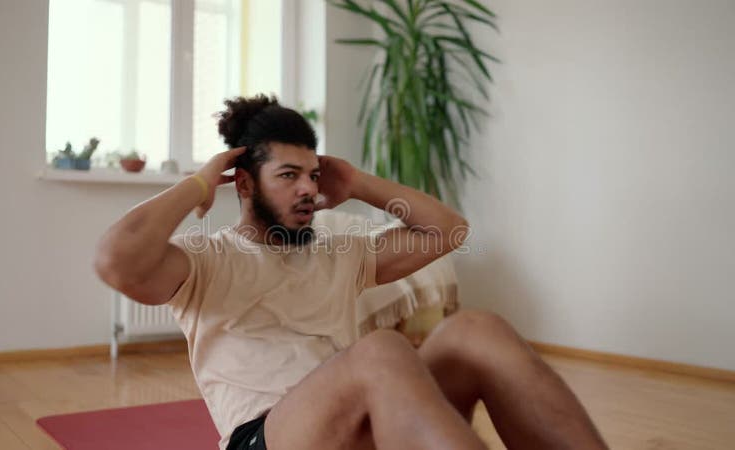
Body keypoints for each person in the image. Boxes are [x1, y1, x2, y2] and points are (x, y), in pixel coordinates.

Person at [94, 94, 608, 450]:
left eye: (312, 176)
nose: (306, 189)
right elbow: (115, 260)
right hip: (267, 437)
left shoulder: (339, 252)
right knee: (381, 350)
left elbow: (450, 231)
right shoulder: (205, 260)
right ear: (245, 185)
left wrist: (358, 183)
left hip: (358, 425)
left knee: (478, 329)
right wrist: (200, 184)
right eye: (288, 176)